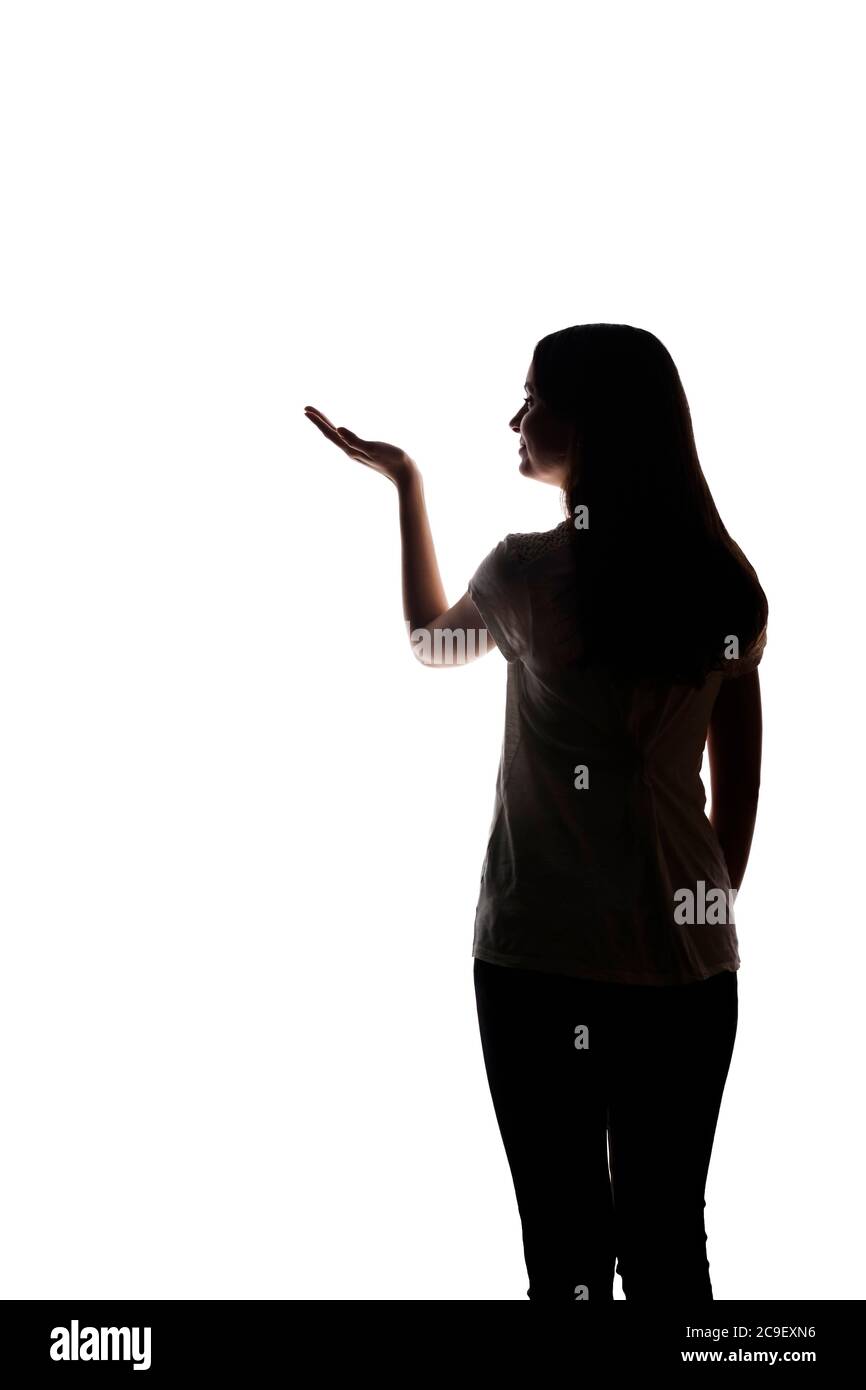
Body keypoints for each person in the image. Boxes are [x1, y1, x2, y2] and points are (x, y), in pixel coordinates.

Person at [304, 322, 767, 1302]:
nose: (515, 417)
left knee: (564, 1254)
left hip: (538, 960)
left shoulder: (525, 573)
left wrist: (406, 488)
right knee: (666, 1245)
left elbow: (430, 646)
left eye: (532, 398)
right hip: (680, 972)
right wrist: (708, 901)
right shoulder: (718, 581)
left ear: (590, 420)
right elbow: (739, 749)